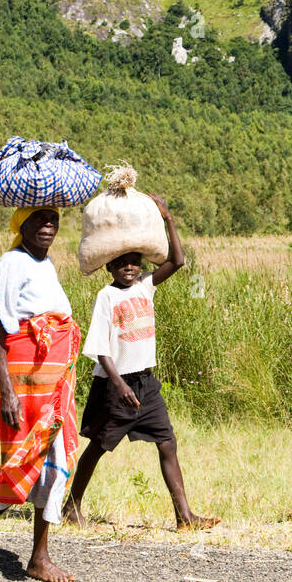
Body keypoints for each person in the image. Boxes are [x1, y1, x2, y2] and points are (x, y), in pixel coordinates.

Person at [62, 192, 219, 532]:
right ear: (109, 266)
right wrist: (118, 386)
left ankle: (184, 516)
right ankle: (71, 507)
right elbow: (101, 347)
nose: (129, 268)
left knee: (167, 443)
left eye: (134, 262)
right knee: (99, 445)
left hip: (146, 385)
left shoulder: (146, 285)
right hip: (115, 385)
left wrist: (169, 219)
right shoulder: (107, 296)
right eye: (121, 263)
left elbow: (177, 261)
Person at [0, 206, 81, 582]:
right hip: (20, 376)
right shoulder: (10, 264)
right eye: (38, 220)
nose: (47, 226)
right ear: (22, 225)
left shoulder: (45, 264)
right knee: (30, 453)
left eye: (53, 220)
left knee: (51, 455)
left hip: (50, 378)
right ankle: (36, 557)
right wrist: (9, 393)